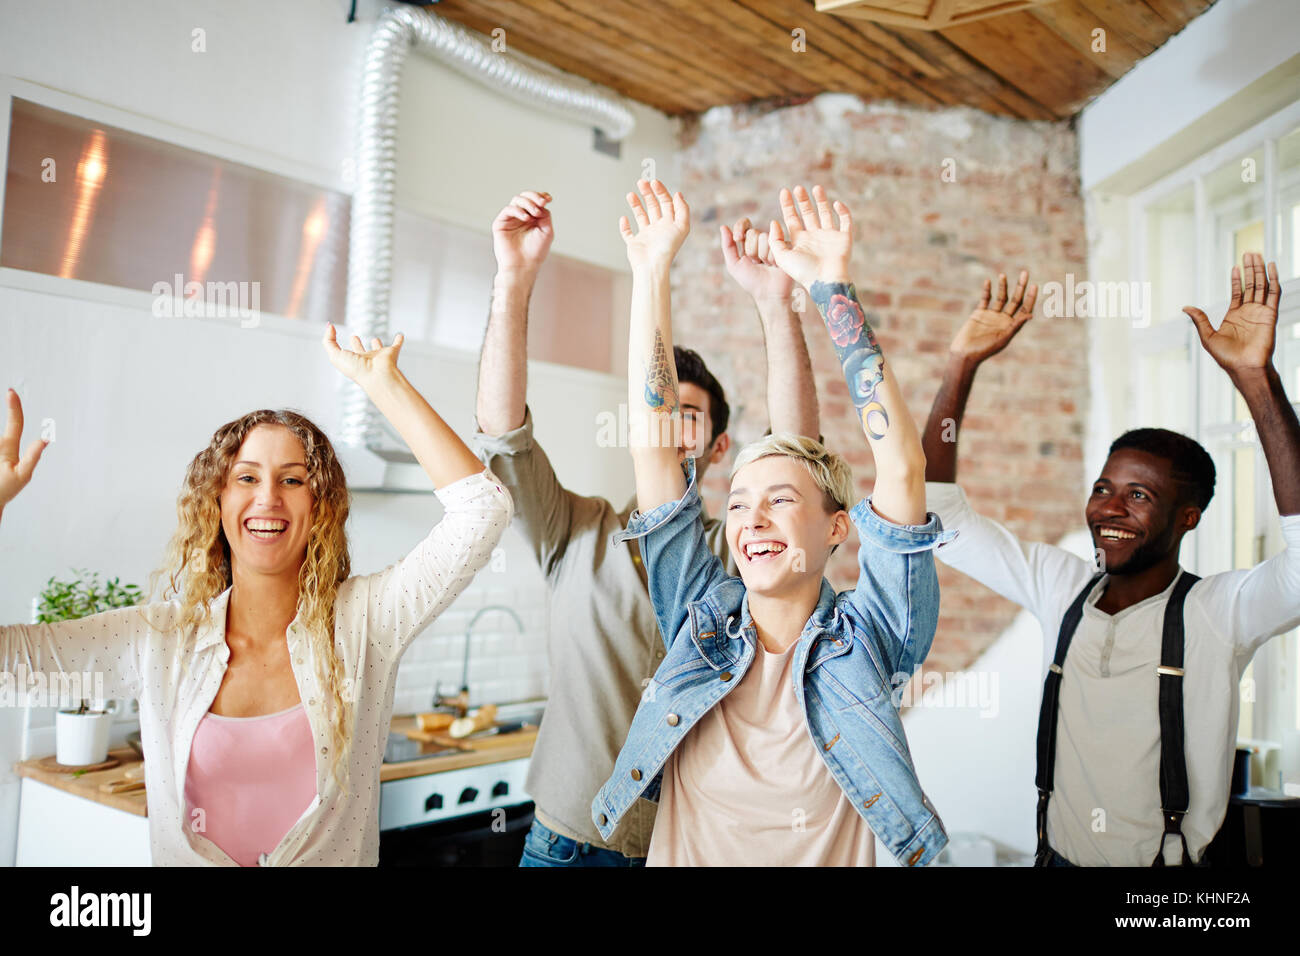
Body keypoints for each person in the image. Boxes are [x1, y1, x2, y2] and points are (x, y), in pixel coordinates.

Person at [0, 326, 512, 865]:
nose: (268, 497)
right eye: (246, 477)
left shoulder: (367, 624)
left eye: (293, 480)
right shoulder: (157, 640)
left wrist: (382, 383)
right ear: (216, 501)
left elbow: (484, 511)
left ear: (320, 506)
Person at [591, 181, 952, 866]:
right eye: (737, 504)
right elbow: (654, 443)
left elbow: (902, 468)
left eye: (781, 501)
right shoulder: (698, 618)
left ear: (837, 528)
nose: (751, 519)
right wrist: (650, 271)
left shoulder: (871, 640)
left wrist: (830, 290)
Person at [473, 189, 821, 866]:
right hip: (564, 844)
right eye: (665, 414)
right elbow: (500, 434)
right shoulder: (571, 529)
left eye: (691, 418)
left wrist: (778, 305)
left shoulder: (744, 555)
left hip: (690, 847)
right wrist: (513, 280)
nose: (673, 431)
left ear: (720, 447)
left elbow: (800, 458)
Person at [920, 255, 1300, 866]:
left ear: (1188, 517)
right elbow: (938, 517)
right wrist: (961, 364)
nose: (1110, 510)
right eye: (1103, 488)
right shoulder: (1061, 585)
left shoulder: (1217, 613)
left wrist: (1257, 381)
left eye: (1139, 495)